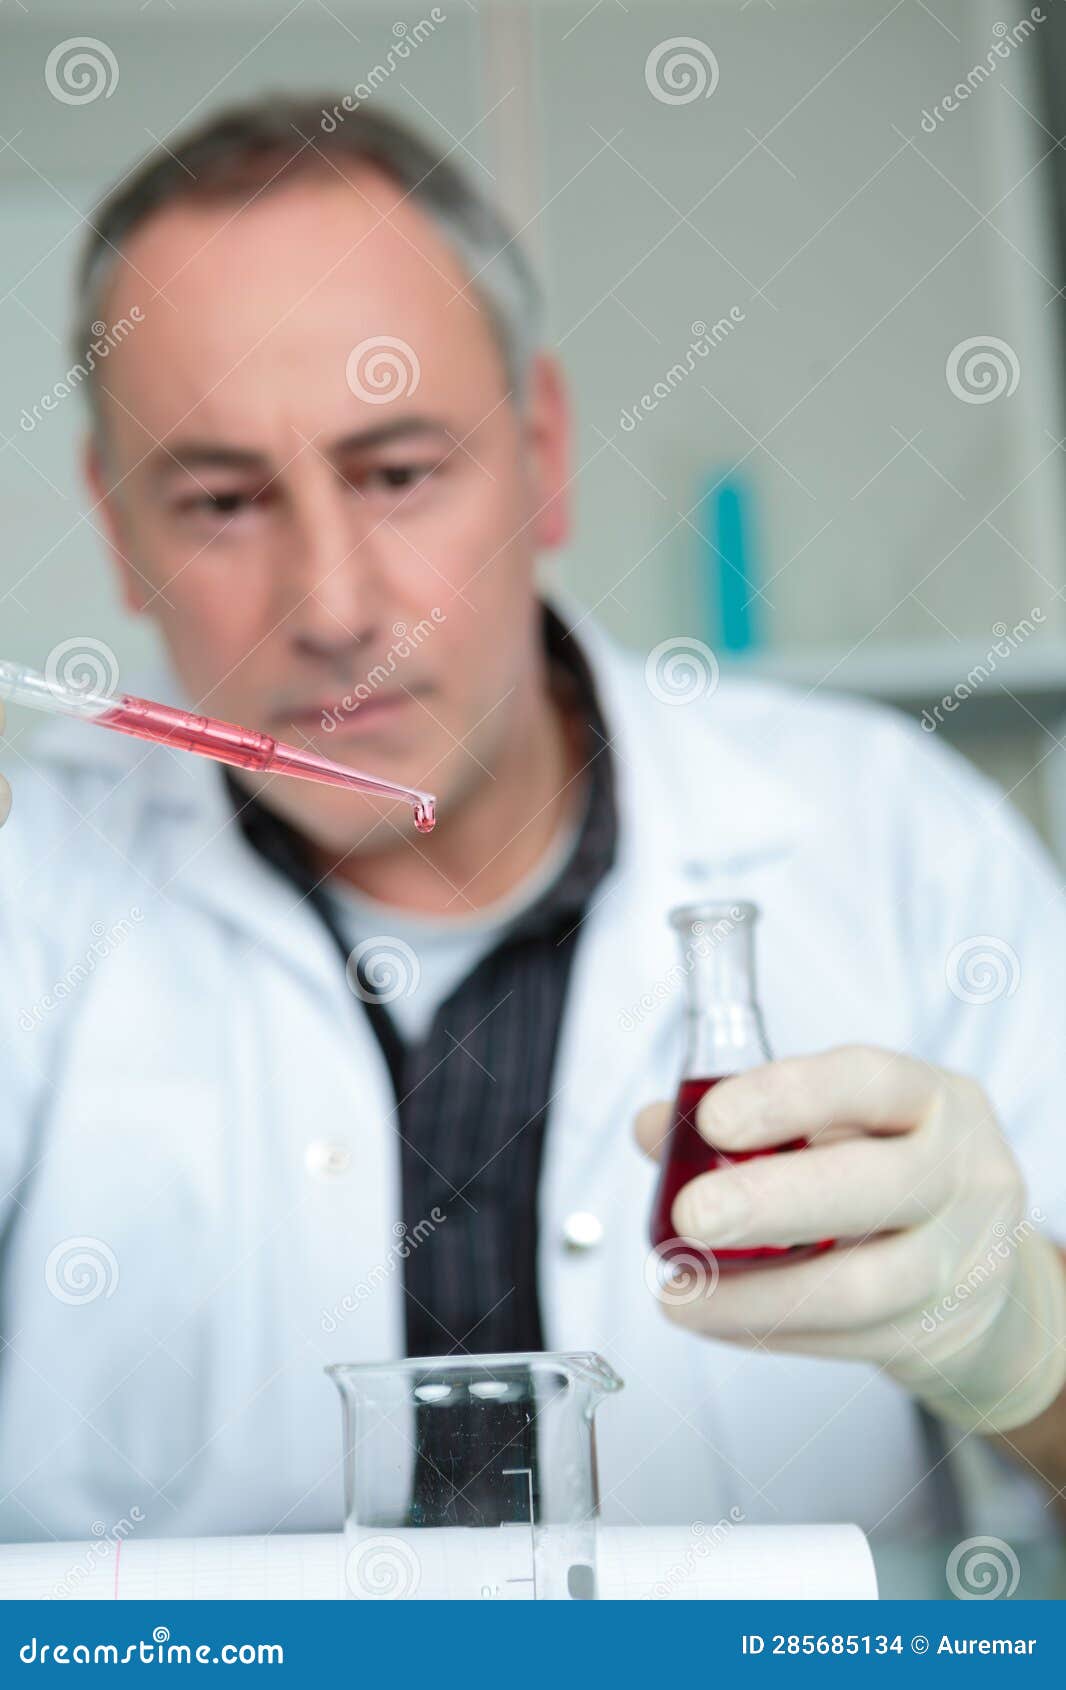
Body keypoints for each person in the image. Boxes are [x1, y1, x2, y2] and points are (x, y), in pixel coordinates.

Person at [0, 96, 1063, 1549]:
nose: (333, 608)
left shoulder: (892, 840)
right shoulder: (31, 883)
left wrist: (1022, 1342)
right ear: (117, 529)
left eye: (396, 473)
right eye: (223, 501)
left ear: (544, 451)